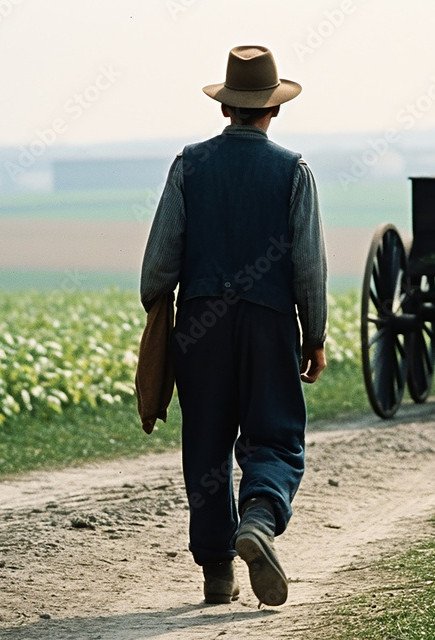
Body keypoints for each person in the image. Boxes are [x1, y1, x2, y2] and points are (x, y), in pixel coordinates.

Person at [140, 45, 328, 606]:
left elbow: (159, 265)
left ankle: (217, 574)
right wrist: (312, 335)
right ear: (274, 110)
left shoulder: (188, 164)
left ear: (225, 109)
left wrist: (163, 313)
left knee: (206, 445)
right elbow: (309, 267)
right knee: (274, 434)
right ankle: (260, 522)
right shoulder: (294, 171)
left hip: (199, 322)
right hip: (269, 322)